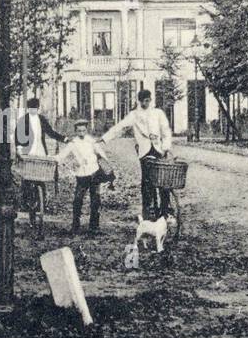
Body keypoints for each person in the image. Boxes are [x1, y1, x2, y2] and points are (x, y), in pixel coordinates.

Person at [101, 89, 174, 219]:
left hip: (159, 149)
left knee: (163, 180)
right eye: (144, 100)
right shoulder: (134, 115)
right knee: (147, 182)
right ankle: (147, 211)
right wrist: (105, 138)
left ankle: (165, 210)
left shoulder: (158, 113)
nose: (147, 102)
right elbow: (121, 127)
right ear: (139, 101)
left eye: (149, 100)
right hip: (145, 151)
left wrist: (166, 147)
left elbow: (166, 130)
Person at [13, 96, 65, 225]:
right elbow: (18, 136)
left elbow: (50, 132)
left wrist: (64, 139)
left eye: (35, 108)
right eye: (30, 108)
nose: (33, 111)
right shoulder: (23, 120)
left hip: (40, 149)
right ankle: (26, 203)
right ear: (28, 108)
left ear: (38, 108)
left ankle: (42, 201)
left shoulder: (41, 119)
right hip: (28, 150)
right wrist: (19, 149)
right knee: (27, 177)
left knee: (40, 175)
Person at [56, 118, 112, 233]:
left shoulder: (91, 141)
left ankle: (94, 227)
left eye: (83, 130)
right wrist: (53, 159)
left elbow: (100, 152)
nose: (81, 133)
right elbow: (62, 155)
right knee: (77, 200)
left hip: (94, 172)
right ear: (75, 131)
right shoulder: (73, 143)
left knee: (95, 200)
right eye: (79, 131)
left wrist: (107, 163)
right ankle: (75, 226)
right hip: (81, 175)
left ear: (86, 130)